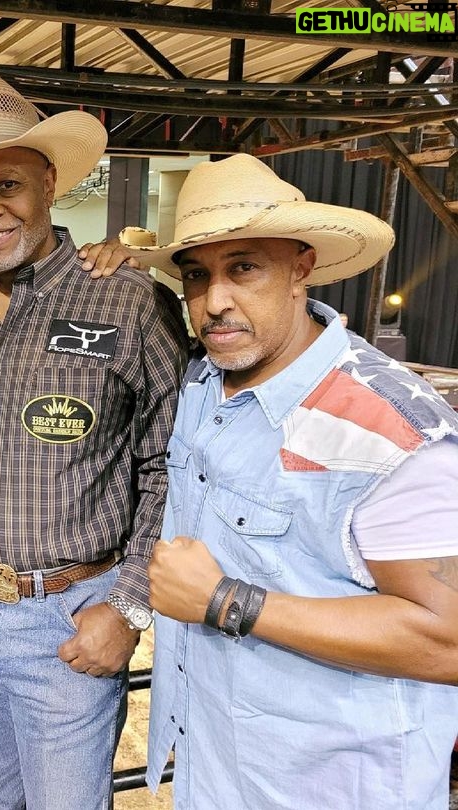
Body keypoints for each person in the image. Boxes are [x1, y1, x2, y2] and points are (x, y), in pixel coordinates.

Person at [0, 75, 189, 809]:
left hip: (71, 613)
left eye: (9, 184)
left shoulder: (129, 300)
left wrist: (131, 606)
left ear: (49, 184)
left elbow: (172, 466)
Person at [121, 153, 458, 808]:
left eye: (243, 267)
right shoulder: (201, 384)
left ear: (301, 265)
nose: (214, 301)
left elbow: (447, 639)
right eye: (197, 275)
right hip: (215, 764)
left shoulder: (391, 428)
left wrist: (224, 600)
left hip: (331, 786)